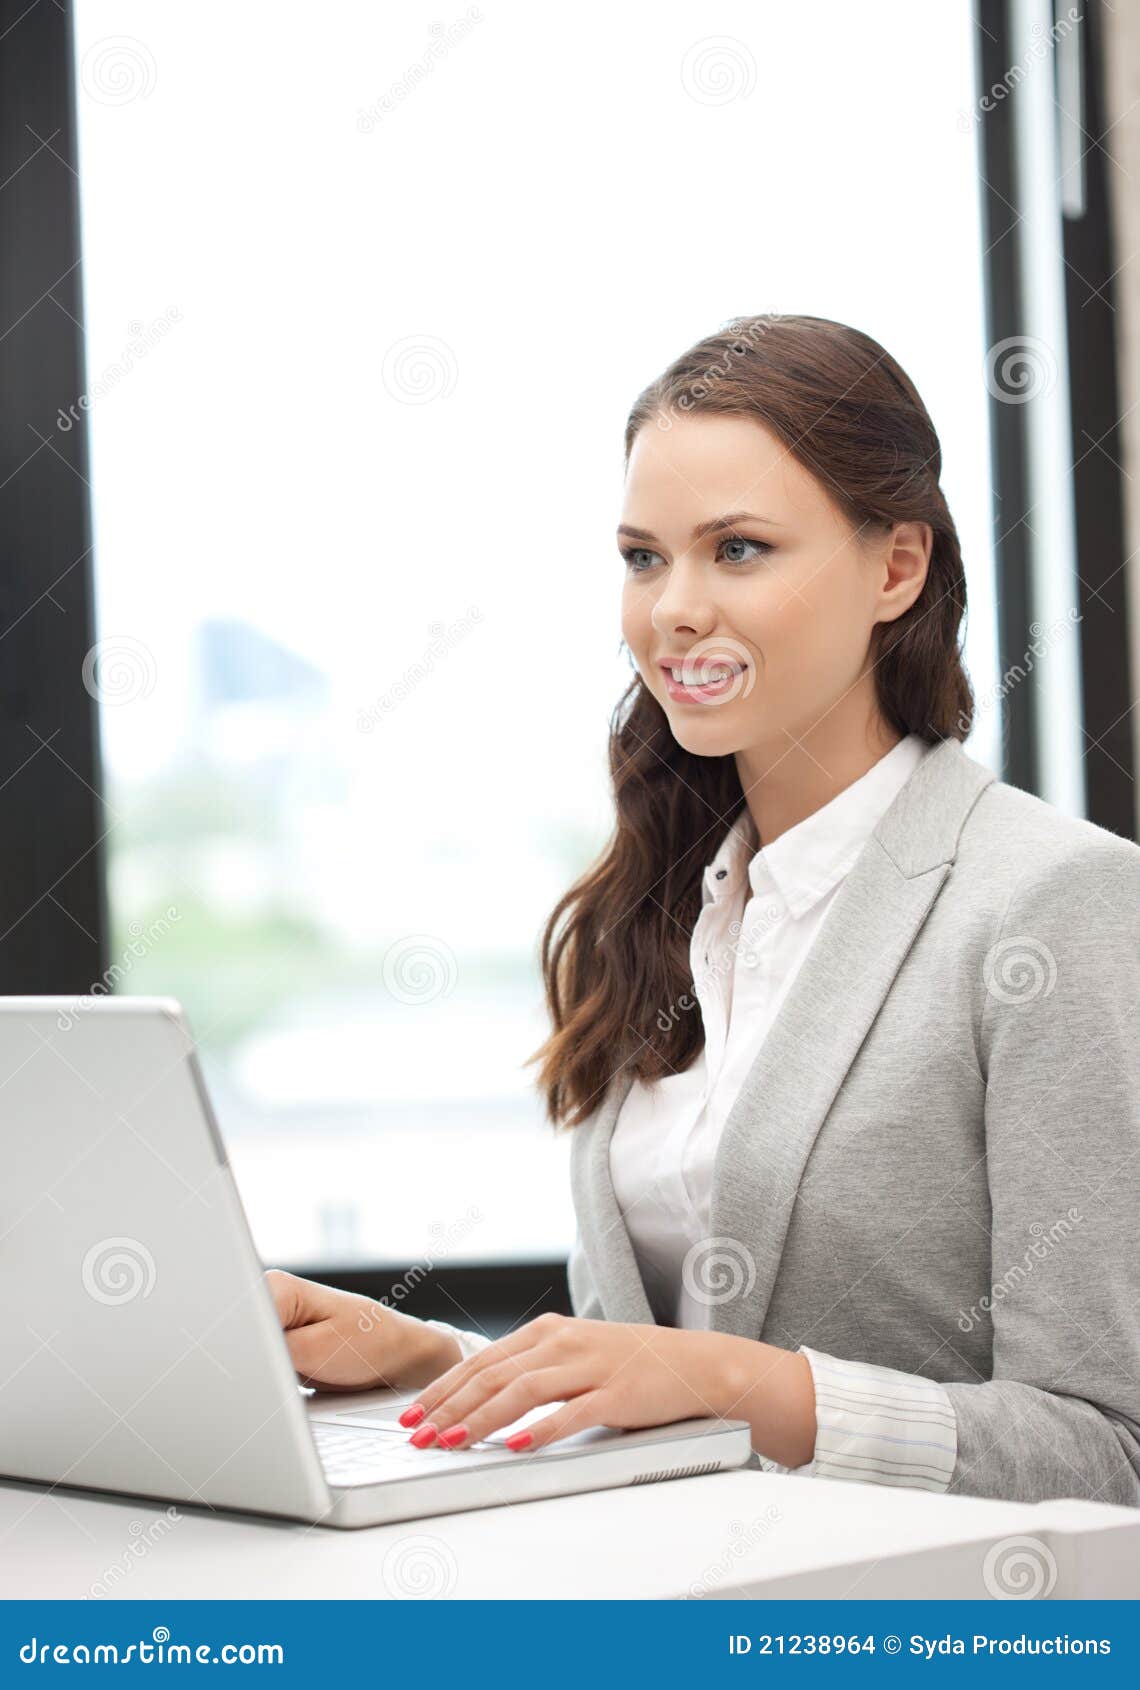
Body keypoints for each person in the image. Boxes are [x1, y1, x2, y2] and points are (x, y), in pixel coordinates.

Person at [269, 314, 1140, 1503]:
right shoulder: (654, 910)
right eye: (643, 557)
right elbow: (658, 1383)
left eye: (738, 549)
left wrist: (741, 1383)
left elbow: (1109, 1449)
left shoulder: (1053, 900)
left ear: (897, 568)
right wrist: (434, 1363)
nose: (673, 608)